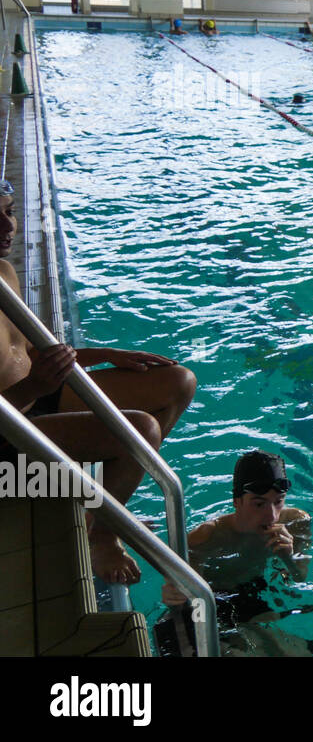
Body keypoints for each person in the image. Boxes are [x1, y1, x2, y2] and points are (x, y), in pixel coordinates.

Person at [0, 186, 196, 583]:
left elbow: (30, 355)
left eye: (10, 211)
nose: (7, 226)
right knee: (140, 431)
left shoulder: (3, 272)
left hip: (32, 397)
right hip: (8, 433)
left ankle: (103, 502)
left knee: (177, 382)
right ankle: (103, 534)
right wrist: (35, 389)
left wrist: (105, 355)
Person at [156, 451, 311, 654]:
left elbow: (300, 578)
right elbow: (184, 594)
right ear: (237, 501)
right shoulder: (207, 537)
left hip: (254, 592)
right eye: (259, 504)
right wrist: (174, 592)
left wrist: (288, 558)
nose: (272, 515)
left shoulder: (296, 522)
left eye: (278, 501)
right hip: (213, 599)